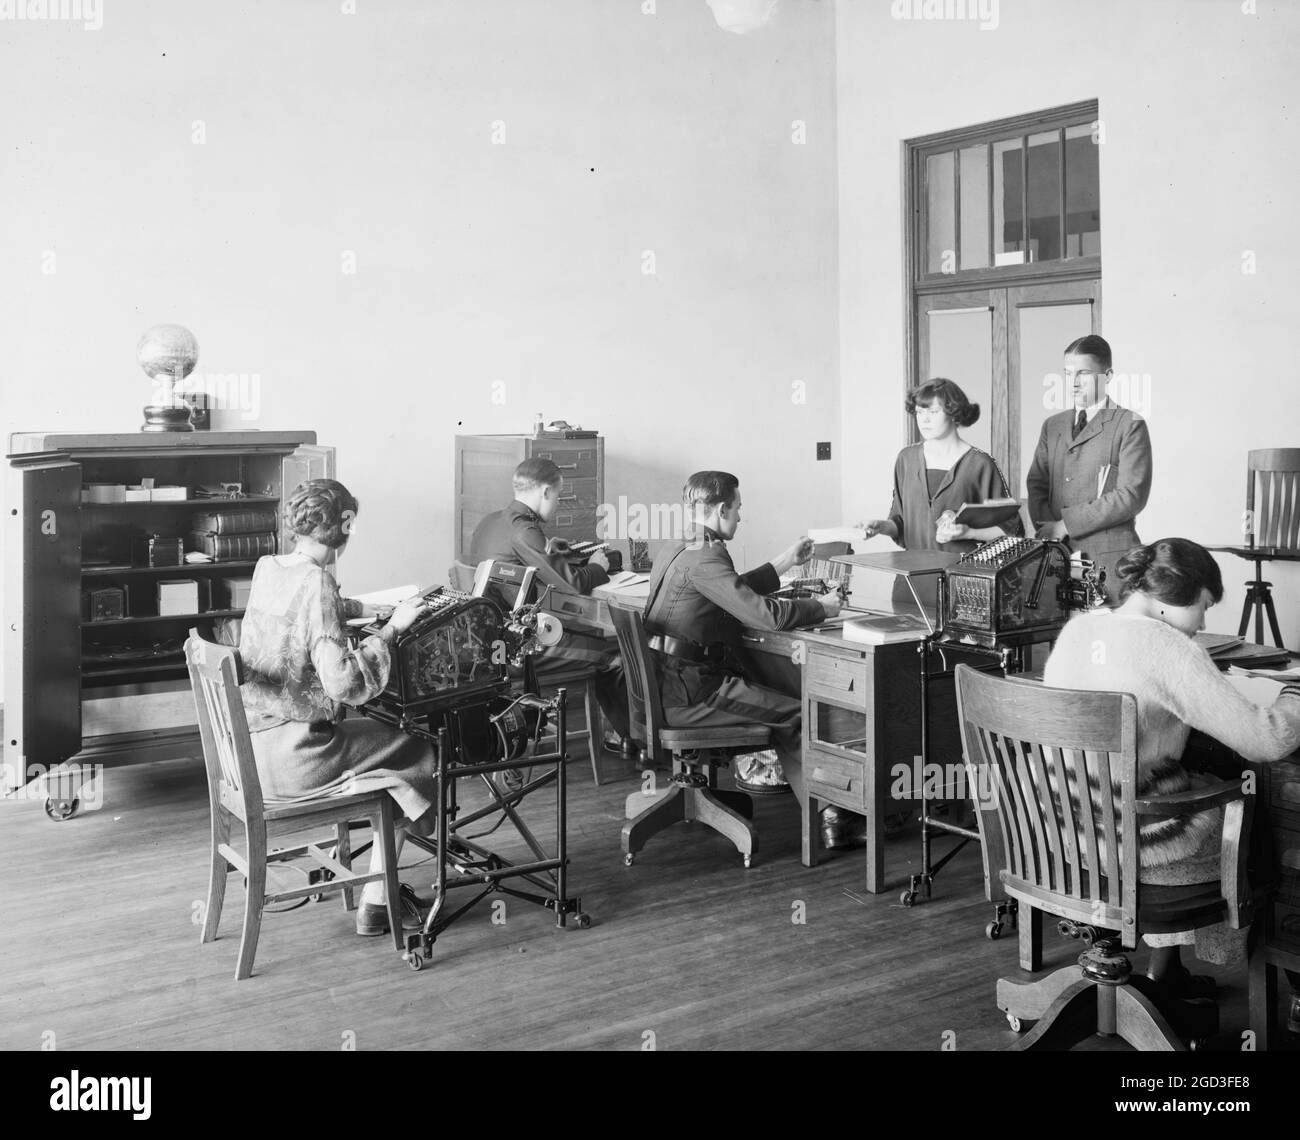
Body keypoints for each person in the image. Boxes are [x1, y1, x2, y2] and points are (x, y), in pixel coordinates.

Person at [1043, 537, 1300, 1019]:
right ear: (1180, 594)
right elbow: (1265, 741)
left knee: (1193, 776)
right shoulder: (1169, 648)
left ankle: (1169, 971)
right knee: (1254, 827)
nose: (1203, 622)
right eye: (1204, 605)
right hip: (1134, 839)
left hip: (1063, 828)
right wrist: (1292, 696)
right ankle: (1278, 984)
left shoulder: (1079, 630)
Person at [238, 479, 437, 937]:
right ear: (344, 524)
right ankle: (376, 902)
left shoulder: (269, 567)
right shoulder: (319, 581)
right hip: (299, 759)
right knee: (420, 745)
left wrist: (371, 605)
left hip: (253, 752)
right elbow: (343, 682)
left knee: (387, 754)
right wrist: (390, 631)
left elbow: (307, 609)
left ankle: (379, 888)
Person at [643, 471, 868, 850]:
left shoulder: (681, 545)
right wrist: (823, 608)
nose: (740, 517)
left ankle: (827, 811)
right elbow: (769, 616)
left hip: (668, 682)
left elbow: (730, 589)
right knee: (799, 715)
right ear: (719, 509)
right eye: (737, 508)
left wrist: (784, 562)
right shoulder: (709, 554)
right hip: (691, 693)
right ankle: (831, 818)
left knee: (778, 700)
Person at [469, 457, 631, 753]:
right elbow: (571, 584)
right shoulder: (524, 530)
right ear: (544, 492)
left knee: (600, 642)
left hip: (493, 645)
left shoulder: (492, 521)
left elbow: (521, 558)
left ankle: (621, 735)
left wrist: (546, 548)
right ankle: (624, 738)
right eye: (557, 496)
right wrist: (597, 566)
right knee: (618, 650)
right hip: (521, 653)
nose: (557, 504)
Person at [1027, 334, 1152, 596]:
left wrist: (1065, 525)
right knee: (1062, 635)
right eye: (1067, 373)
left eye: (1083, 373)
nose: (1073, 382)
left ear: (1107, 376)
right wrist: (1047, 528)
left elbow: (1131, 496)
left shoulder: (1129, 424)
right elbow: (1037, 484)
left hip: (1108, 564)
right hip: (1057, 559)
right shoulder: (1053, 426)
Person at [860, 378, 1022, 553]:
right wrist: (881, 527)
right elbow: (901, 523)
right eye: (919, 412)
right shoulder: (906, 459)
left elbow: (1012, 531)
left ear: (954, 412)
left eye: (934, 412)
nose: (924, 420)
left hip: (961, 576)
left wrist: (970, 533)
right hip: (911, 575)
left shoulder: (980, 464)